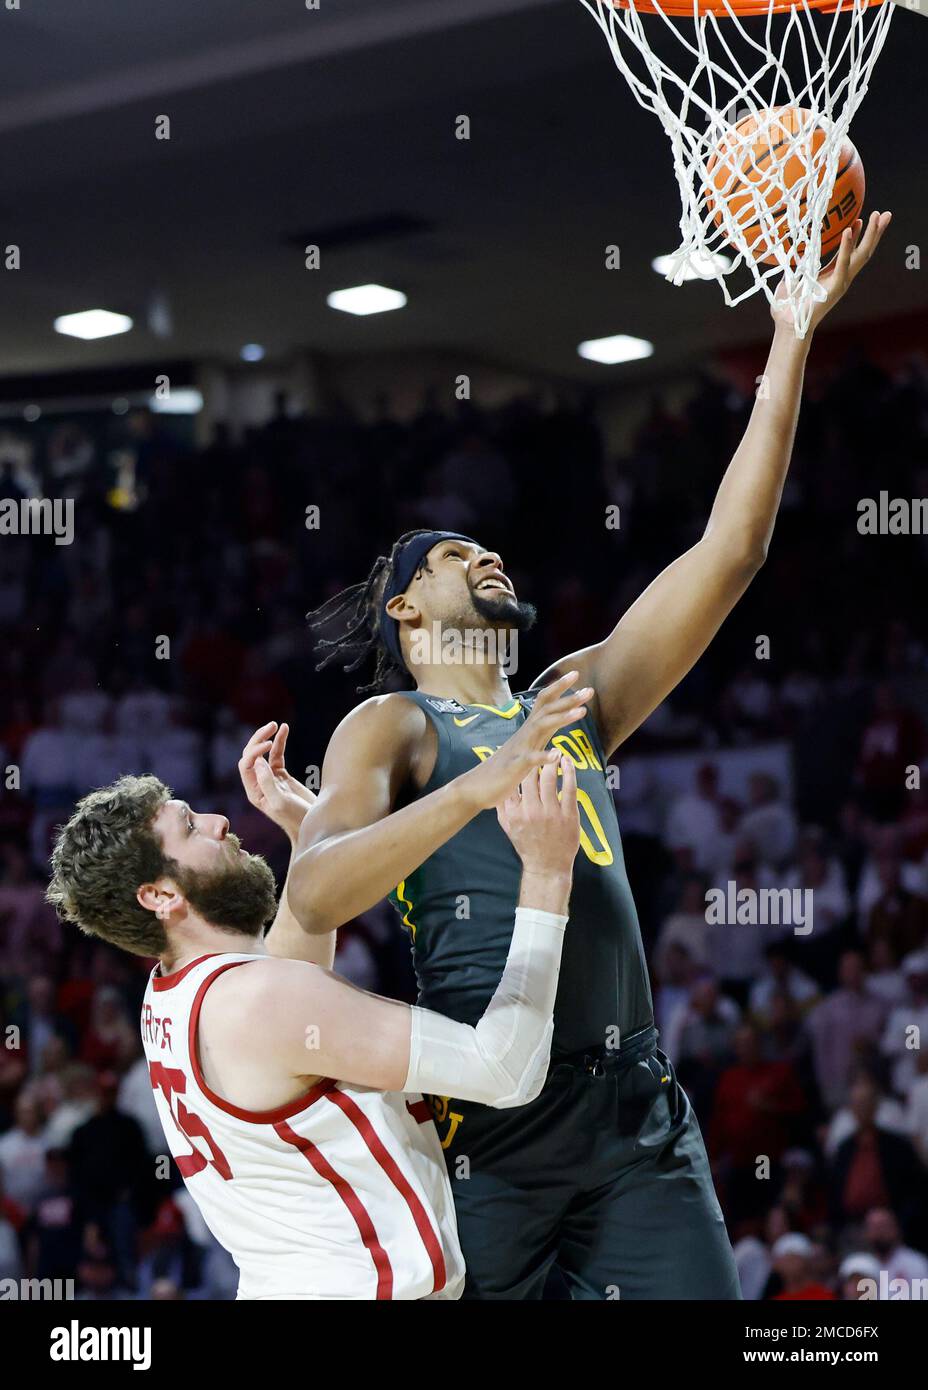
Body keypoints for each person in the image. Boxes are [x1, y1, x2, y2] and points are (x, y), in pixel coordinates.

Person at [290, 215, 889, 1299]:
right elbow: (319, 886)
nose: (489, 556)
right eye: (458, 555)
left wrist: (790, 340)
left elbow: (729, 551)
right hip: (494, 1118)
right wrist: (479, 779)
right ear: (406, 609)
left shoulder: (567, 697)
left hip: (632, 1115)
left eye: (489, 547)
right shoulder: (391, 726)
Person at [45, 688, 585, 1300]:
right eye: (191, 827)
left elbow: (285, 999)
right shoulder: (257, 1001)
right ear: (161, 896)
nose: (221, 821)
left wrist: (312, 838)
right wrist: (546, 873)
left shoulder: (172, 994)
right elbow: (504, 1069)